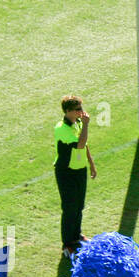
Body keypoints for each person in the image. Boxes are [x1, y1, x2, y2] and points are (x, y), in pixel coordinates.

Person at [54, 95, 95, 257]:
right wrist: (86, 125)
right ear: (68, 111)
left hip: (79, 169)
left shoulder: (77, 123)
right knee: (69, 207)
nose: (82, 112)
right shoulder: (61, 128)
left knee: (79, 205)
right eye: (78, 110)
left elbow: (85, 146)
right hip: (66, 172)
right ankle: (67, 244)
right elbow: (80, 144)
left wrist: (91, 164)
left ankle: (76, 236)